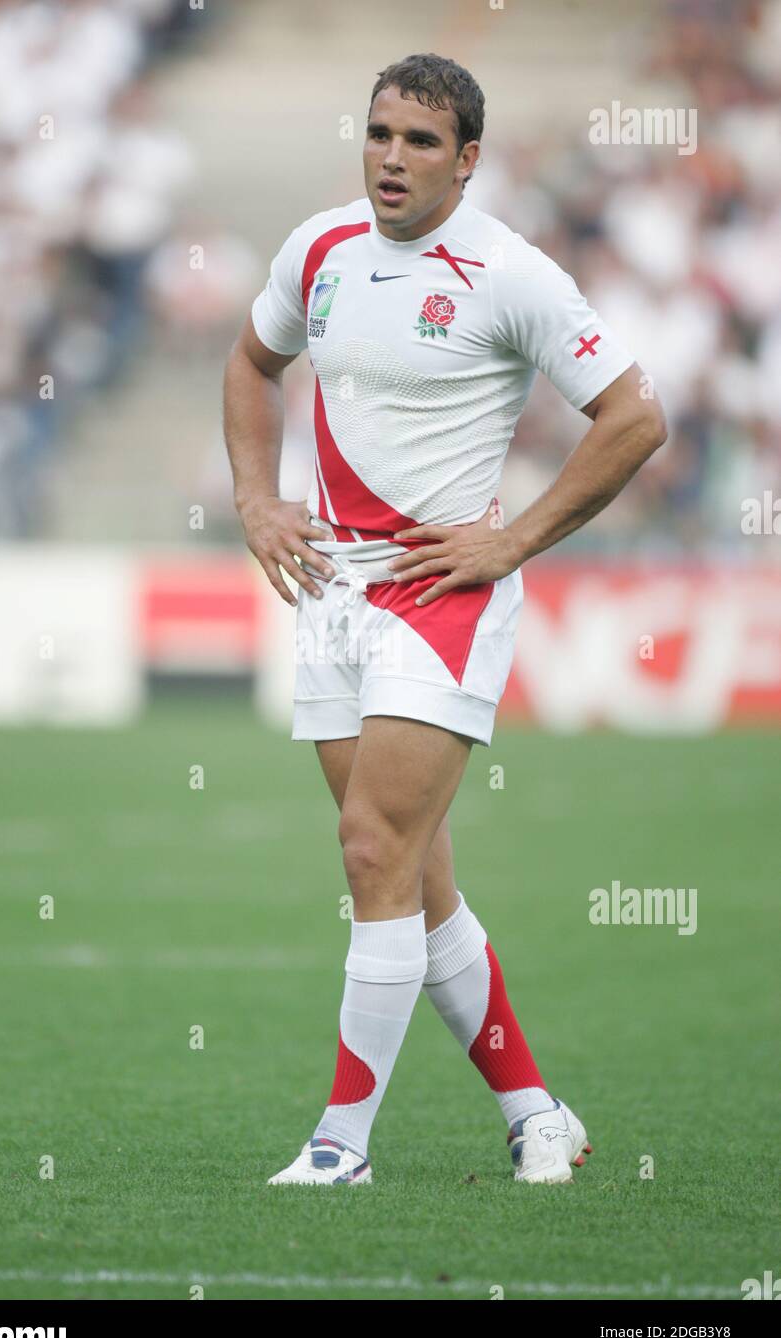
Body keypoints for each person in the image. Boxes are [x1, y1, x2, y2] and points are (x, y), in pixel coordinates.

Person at [223, 53, 667, 1187]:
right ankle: (536, 1112)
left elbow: (632, 417)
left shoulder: (507, 272)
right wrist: (255, 499)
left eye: (420, 142)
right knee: (412, 877)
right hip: (331, 594)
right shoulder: (318, 248)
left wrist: (512, 539)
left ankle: (341, 1144)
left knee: (370, 848)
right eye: (379, 133)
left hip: (442, 597)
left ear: (466, 161)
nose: (390, 157)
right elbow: (249, 359)